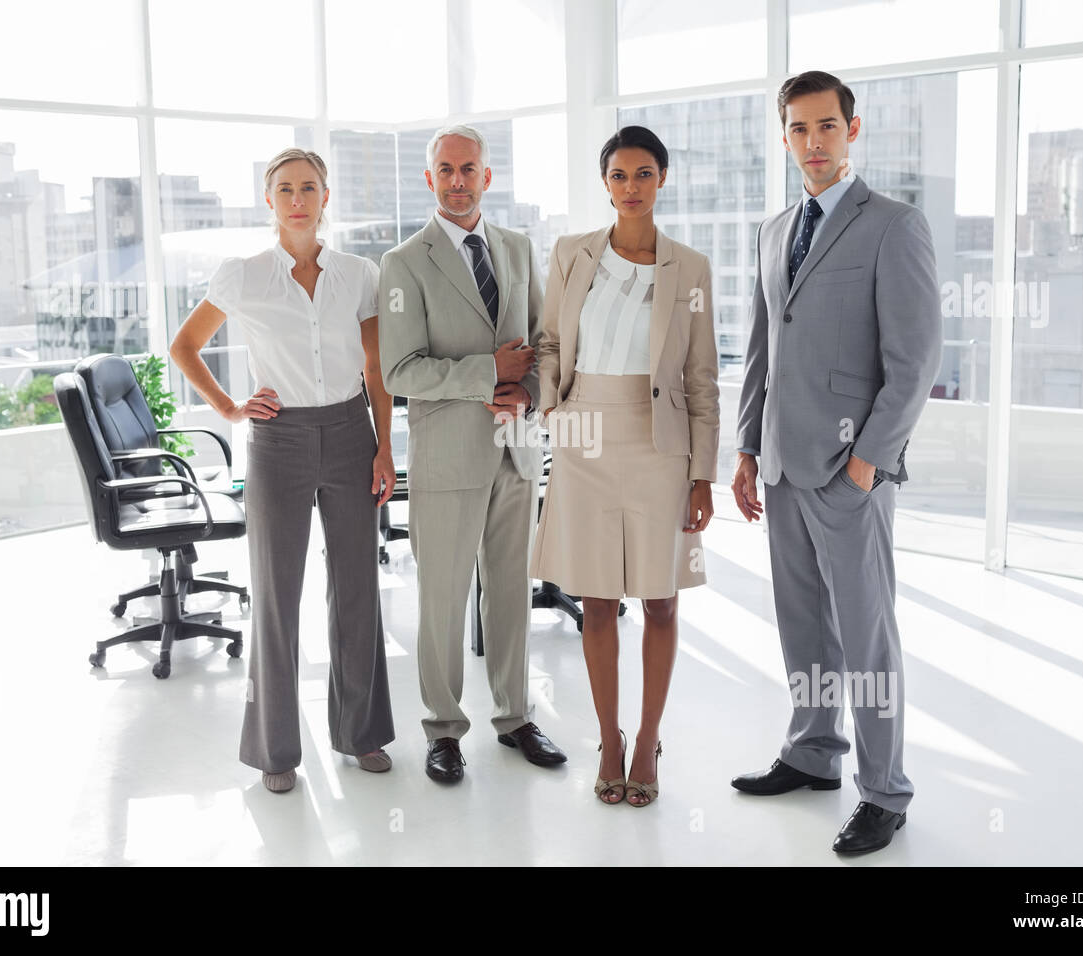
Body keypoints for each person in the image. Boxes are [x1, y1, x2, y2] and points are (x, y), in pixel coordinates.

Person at [730, 71, 942, 852]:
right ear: (784, 136)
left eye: (826, 127)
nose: (812, 143)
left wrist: (869, 465)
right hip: (783, 467)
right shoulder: (772, 228)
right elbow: (760, 351)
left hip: (849, 469)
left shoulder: (893, 225)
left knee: (866, 636)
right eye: (798, 129)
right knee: (803, 623)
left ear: (852, 130)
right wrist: (748, 449)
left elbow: (914, 362)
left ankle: (885, 792)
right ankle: (814, 751)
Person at [170, 147, 396, 794]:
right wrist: (231, 408)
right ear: (268, 200)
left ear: (326, 197)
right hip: (278, 442)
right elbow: (184, 346)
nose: (298, 198)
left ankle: (362, 733)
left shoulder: (358, 273)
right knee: (275, 595)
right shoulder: (243, 275)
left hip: (352, 433)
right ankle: (274, 748)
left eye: (309, 187)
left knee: (357, 589)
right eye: (285, 188)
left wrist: (383, 447)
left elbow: (376, 369)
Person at [530, 126, 719, 807]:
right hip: (583, 436)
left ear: (662, 179)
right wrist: (550, 408)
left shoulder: (690, 268)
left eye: (643, 173)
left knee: (661, 597)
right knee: (599, 599)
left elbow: (702, 377)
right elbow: (551, 339)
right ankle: (608, 738)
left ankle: (648, 739)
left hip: (658, 440)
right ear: (604, 182)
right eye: (619, 175)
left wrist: (702, 474)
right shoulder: (570, 253)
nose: (631, 186)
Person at [377, 124, 567, 783]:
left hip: (517, 451)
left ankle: (515, 717)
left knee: (511, 591)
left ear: (488, 176)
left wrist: (529, 395)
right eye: (446, 169)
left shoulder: (517, 248)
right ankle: (443, 728)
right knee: (443, 596)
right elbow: (400, 370)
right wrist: (486, 373)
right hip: (448, 459)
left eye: (470, 169)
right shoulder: (403, 263)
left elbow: (545, 343)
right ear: (430, 179)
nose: (458, 180)